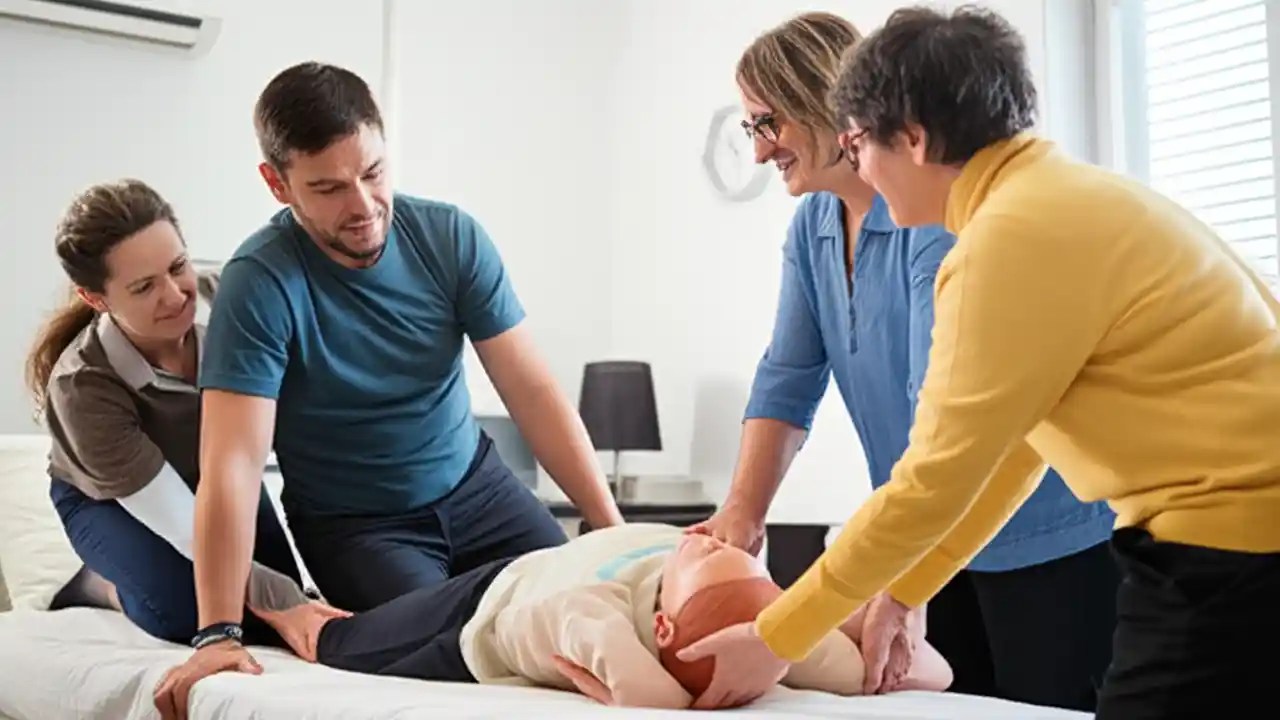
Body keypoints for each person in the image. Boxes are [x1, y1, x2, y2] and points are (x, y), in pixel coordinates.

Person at [680, 6, 1280, 718]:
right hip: (1230, 534)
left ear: (913, 137)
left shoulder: (1004, 242)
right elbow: (1016, 452)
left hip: (1228, 540)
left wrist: (777, 636)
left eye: (862, 141)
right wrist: (909, 586)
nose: (861, 163)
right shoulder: (1057, 199)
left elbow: (935, 478)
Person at [157, 60, 625, 701]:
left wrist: (607, 526)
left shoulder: (450, 238)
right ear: (277, 185)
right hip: (361, 527)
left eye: (373, 173)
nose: (363, 206)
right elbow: (233, 465)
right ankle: (331, 640)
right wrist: (217, 634)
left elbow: (532, 392)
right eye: (327, 189)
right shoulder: (259, 283)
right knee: (476, 645)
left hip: (480, 491)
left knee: (595, 597)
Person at [155, 523, 952, 719]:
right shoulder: (769, 634)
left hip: (475, 612)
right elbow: (927, 670)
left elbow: (647, 695)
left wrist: (711, 679)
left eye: (705, 559)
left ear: (665, 629)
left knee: (338, 637)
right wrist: (816, 638)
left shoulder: (593, 614)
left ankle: (268, 601)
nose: (709, 541)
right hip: (534, 558)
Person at [27, 178, 345, 647]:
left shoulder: (232, 298)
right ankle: (100, 584)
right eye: (143, 287)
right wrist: (283, 602)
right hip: (111, 499)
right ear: (96, 299)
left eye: (177, 267)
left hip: (216, 467)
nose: (175, 295)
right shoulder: (83, 388)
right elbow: (183, 526)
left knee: (274, 585)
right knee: (191, 612)